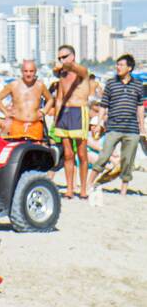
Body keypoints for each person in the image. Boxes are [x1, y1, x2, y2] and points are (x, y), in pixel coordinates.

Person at [90, 54, 144, 196]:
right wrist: (99, 123)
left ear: (129, 68)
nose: (117, 67)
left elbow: (140, 107)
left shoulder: (138, 85)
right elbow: (103, 105)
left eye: (121, 65)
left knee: (127, 161)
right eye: (117, 64)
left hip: (132, 129)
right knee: (104, 156)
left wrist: (142, 128)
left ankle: (123, 192)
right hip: (113, 127)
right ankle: (88, 185)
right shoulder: (111, 83)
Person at [49, 45, 94, 199]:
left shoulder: (81, 71)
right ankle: (70, 189)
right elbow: (60, 96)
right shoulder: (62, 74)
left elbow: (78, 70)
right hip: (64, 113)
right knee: (68, 154)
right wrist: (56, 118)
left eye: (64, 56)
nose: (62, 60)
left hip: (78, 111)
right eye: (59, 58)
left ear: (72, 56)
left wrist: (66, 65)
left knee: (82, 153)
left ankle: (83, 189)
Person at [0, 60, 49, 140]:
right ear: (22, 72)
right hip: (18, 124)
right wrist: (6, 112)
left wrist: (44, 111)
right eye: (26, 71)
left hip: (35, 125)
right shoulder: (13, 85)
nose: (28, 74)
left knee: (36, 149)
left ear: (35, 72)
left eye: (31, 71)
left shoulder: (40, 85)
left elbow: (50, 99)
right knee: (17, 148)